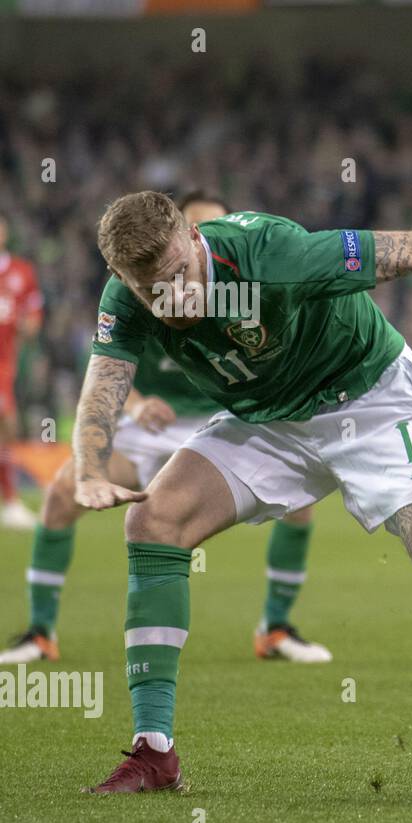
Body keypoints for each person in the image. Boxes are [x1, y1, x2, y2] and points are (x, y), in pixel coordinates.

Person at [78, 191, 412, 798]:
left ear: (193, 235)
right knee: (153, 521)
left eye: (180, 275)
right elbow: (104, 382)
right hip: (269, 419)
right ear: (123, 279)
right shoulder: (130, 299)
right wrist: (87, 465)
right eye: (150, 289)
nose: (172, 298)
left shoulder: (274, 256)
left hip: (369, 398)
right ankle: (155, 754)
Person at [2, 191, 331, 665]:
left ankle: (276, 629)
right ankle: (40, 632)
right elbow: (105, 372)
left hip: (228, 419)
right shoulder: (140, 287)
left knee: (301, 505)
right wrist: (134, 407)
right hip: (154, 428)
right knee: (60, 493)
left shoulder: (248, 280)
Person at [0, 212, 44, 530]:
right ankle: (11, 500)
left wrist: (29, 325)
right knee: (8, 422)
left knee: (7, 426)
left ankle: (10, 500)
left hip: (6, 362)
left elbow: (33, 313)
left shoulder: (21, 271)